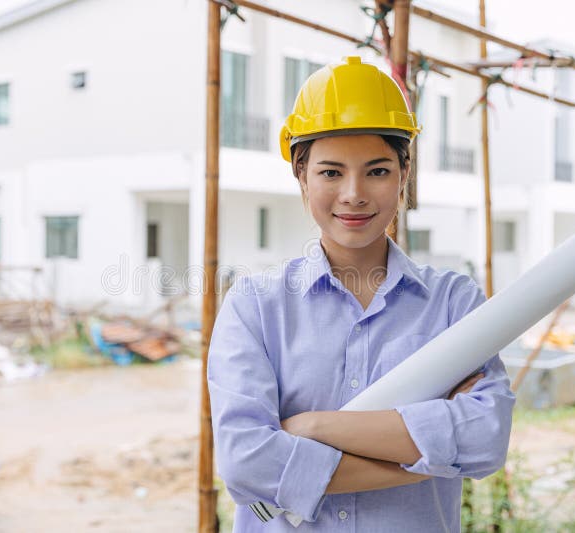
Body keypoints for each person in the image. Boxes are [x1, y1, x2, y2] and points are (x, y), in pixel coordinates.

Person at [207, 56, 515, 532]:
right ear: (301, 175)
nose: (354, 193)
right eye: (331, 173)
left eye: (377, 171)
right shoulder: (255, 307)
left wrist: (313, 427)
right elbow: (246, 462)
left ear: (404, 173)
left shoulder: (453, 305)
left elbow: (485, 439)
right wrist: (428, 457)